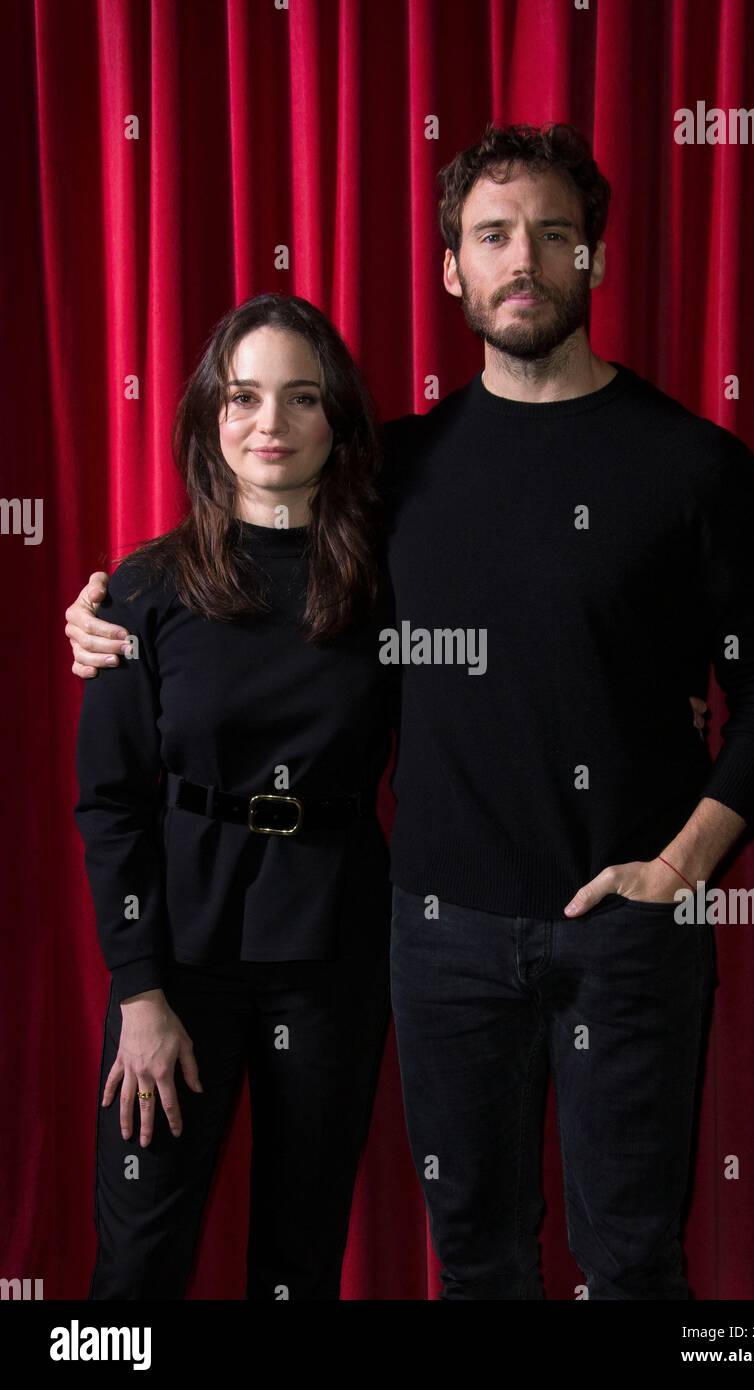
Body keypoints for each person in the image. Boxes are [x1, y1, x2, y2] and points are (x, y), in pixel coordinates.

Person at [66, 121, 754, 1300]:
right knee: (474, 1264)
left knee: (632, 1263)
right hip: (437, 938)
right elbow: (250, 589)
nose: (522, 258)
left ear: (594, 262)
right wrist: (113, 613)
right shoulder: (390, 477)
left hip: (625, 934)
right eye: (491, 235)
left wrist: (676, 868)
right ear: (450, 271)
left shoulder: (693, 467)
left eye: (551, 234)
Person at [71, 292, 396, 1300]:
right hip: (178, 963)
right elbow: (111, 802)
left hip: (334, 956)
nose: (269, 424)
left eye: (300, 398)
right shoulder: (142, 590)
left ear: (334, 420)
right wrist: (139, 992)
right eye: (244, 396)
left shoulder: (391, 586)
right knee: (136, 1260)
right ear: (210, 417)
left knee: (298, 1259)